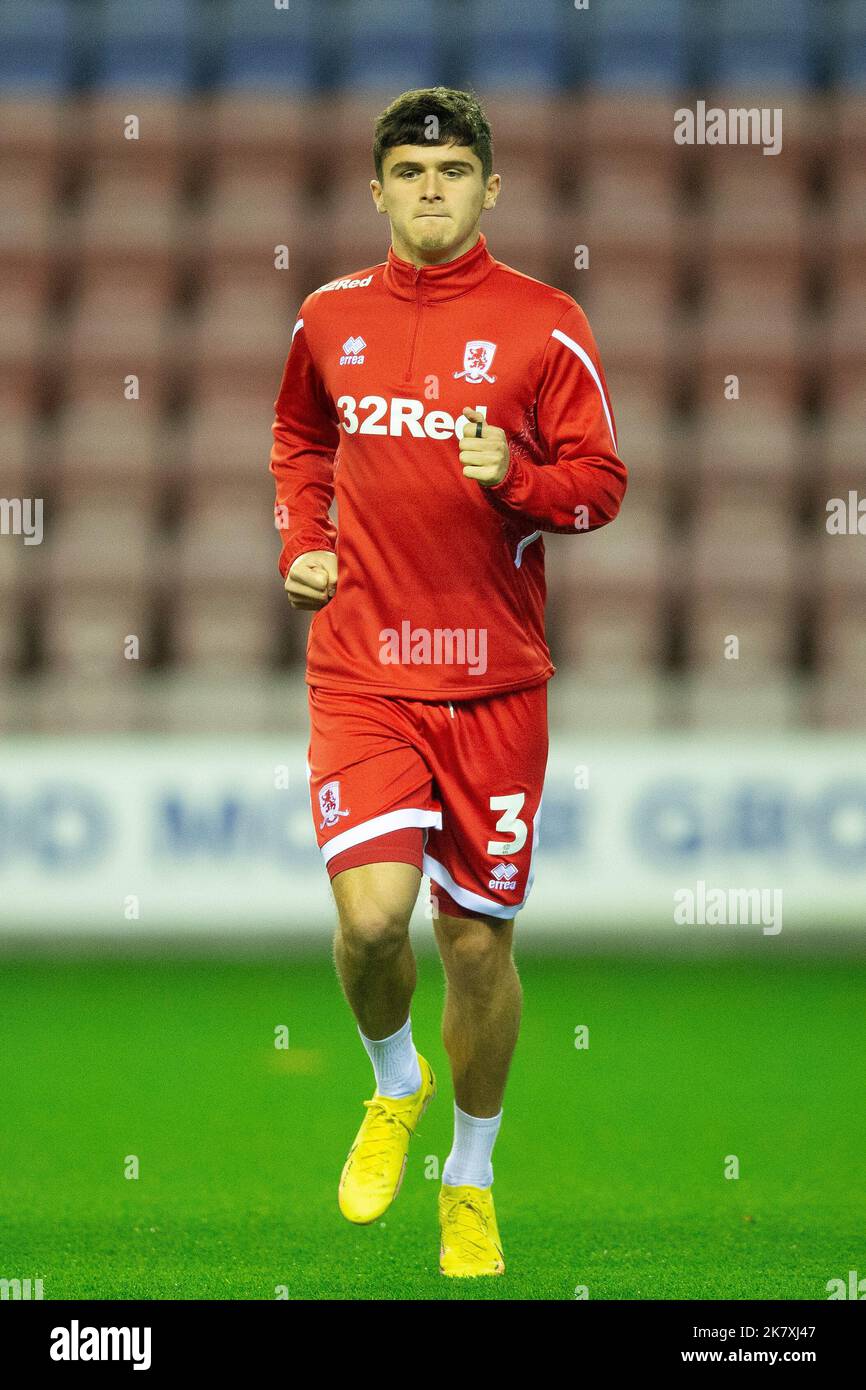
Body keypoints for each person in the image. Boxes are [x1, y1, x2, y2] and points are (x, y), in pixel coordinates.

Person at [269, 86, 626, 1277]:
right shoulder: (327, 318)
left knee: (475, 945)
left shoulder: (545, 323)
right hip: (363, 668)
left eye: (452, 171)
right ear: (375, 189)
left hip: (493, 682)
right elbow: (301, 439)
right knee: (371, 921)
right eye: (409, 171)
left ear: (489, 187)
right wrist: (301, 543)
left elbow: (599, 484)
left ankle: (468, 1173)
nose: (431, 188)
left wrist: (516, 475)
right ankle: (391, 1082)